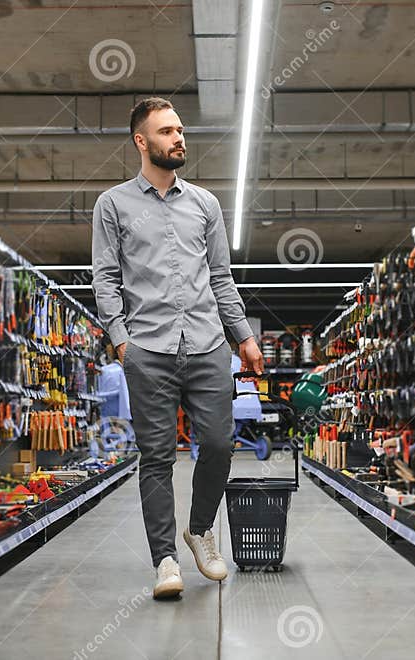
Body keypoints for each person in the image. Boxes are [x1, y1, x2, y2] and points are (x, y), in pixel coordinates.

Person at [91, 97, 263, 599]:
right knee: (157, 456)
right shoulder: (114, 205)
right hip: (148, 347)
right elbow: (105, 279)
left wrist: (245, 339)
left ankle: (201, 530)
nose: (179, 139)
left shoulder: (205, 204)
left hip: (209, 343)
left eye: (181, 130)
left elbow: (220, 278)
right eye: (167, 132)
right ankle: (165, 560)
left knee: (216, 443)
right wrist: (121, 341)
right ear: (142, 141)